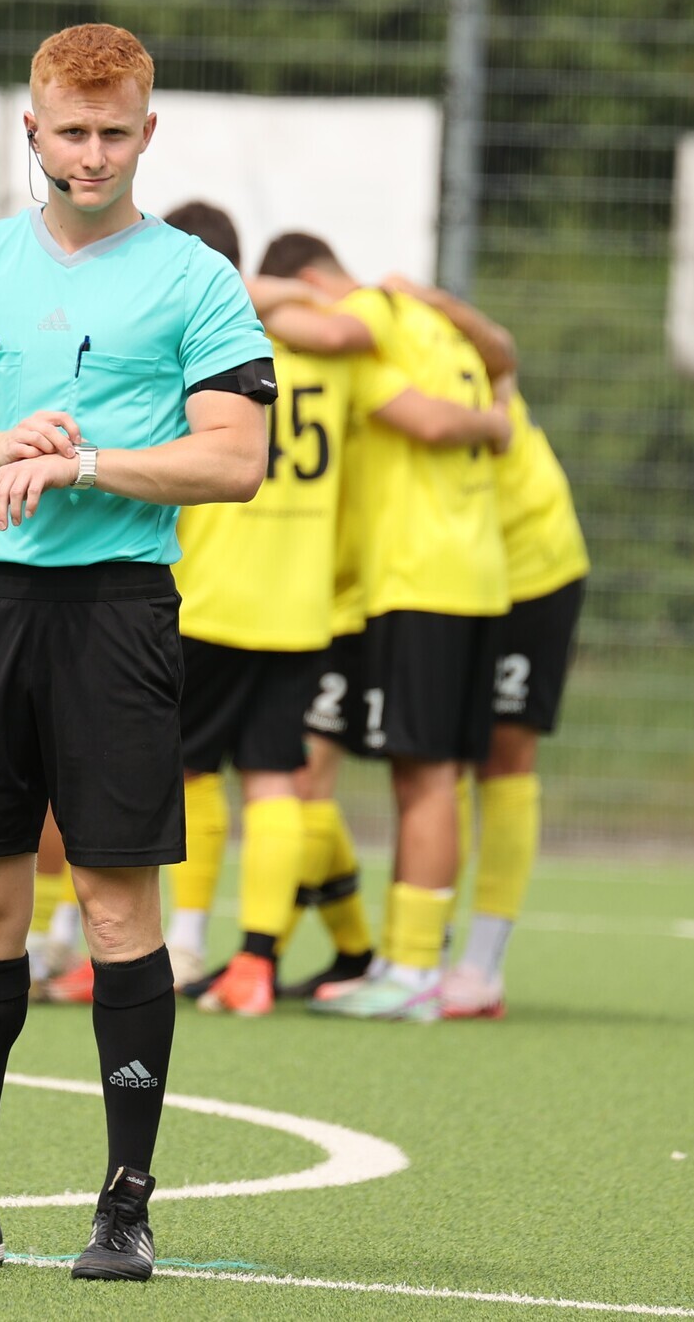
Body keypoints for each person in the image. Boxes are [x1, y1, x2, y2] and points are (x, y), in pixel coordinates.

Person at [0, 24, 274, 1281]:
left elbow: (232, 461)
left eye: (113, 132)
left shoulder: (195, 280)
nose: (90, 154)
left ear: (148, 133)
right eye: (69, 132)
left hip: (116, 613)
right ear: (29, 130)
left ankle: (123, 1202)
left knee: (110, 900)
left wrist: (83, 464)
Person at [159, 203, 508, 1017]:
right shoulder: (345, 350)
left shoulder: (201, 333)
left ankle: (182, 944)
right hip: (303, 599)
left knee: (189, 769)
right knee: (280, 779)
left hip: (211, 589)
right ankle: (257, 964)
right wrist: (492, 423)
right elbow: (413, 409)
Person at [253, 233, 514, 1023]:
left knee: (426, 776)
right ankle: (410, 956)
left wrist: (261, 292)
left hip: (421, 574)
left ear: (312, 282)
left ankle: (411, 970)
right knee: (428, 775)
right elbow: (497, 358)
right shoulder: (433, 325)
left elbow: (327, 334)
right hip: (467, 569)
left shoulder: (370, 319)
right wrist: (496, 418)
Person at [380, 277, 589, 1019]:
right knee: (436, 760)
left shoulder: (441, 343)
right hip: (462, 577)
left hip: (531, 569)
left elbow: (501, 349)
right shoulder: (377, 346)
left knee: (504, 757)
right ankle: (413, 952)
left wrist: (438, 302)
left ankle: (483, 964)